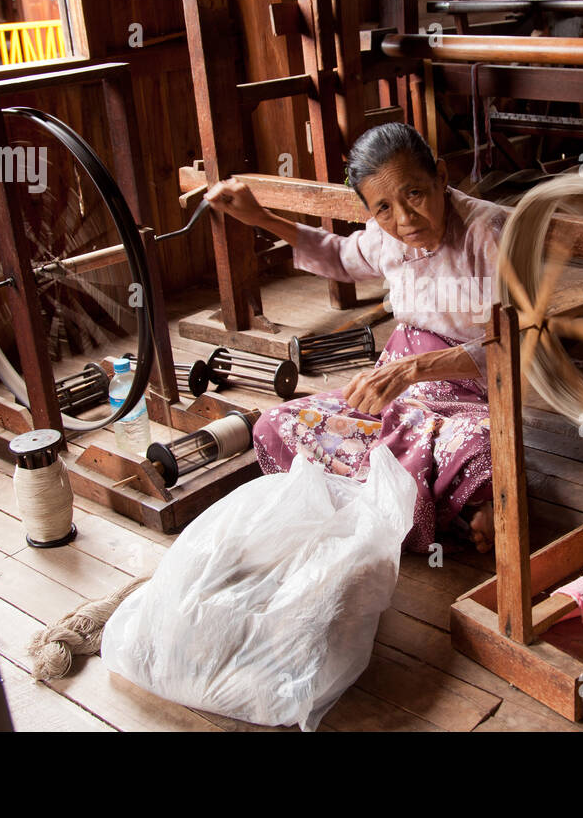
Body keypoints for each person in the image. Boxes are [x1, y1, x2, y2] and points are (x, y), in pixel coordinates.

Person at [204, 123, 506, 553]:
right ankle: (451, 512)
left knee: (485, 444)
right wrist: (260, 218)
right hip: (397, 396)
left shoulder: (487, 231)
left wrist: (416, 368)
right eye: (383, 208)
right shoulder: (387, 237)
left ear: (440, 176)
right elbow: (339, 255)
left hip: (470, 398)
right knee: (275, 426)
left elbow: (516, 344)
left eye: (415, 194)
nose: (404, 219)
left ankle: (420, 508)